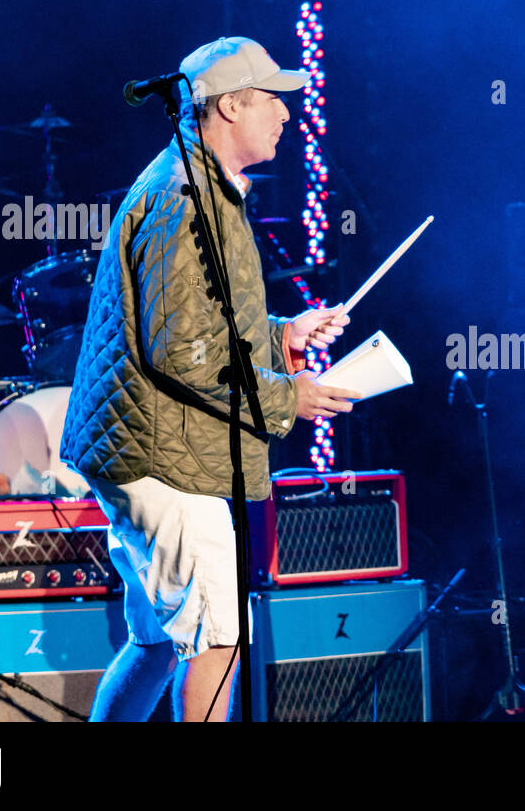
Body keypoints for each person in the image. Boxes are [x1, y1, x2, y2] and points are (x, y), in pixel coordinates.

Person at [61, 37, 360, 722]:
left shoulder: (199, 186)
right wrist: (290, 396)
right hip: (158, 455)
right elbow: (186, 352)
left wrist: (280, 331)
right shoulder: (181, 200)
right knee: (215, 636)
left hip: (146, 447)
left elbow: (200, 318)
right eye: (273, 100)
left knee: (159, 641)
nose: (288, 114)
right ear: (229, 106)